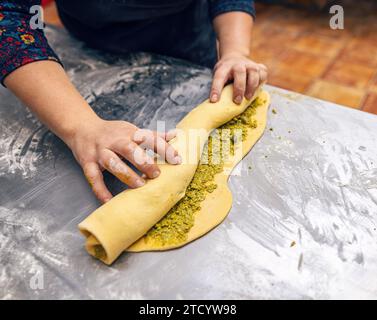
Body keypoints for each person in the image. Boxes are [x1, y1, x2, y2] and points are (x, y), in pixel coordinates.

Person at [0, 0, 267, 203]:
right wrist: (81, 127)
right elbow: (8, 16)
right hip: (92, 53)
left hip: (188, 47)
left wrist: (234, 51)